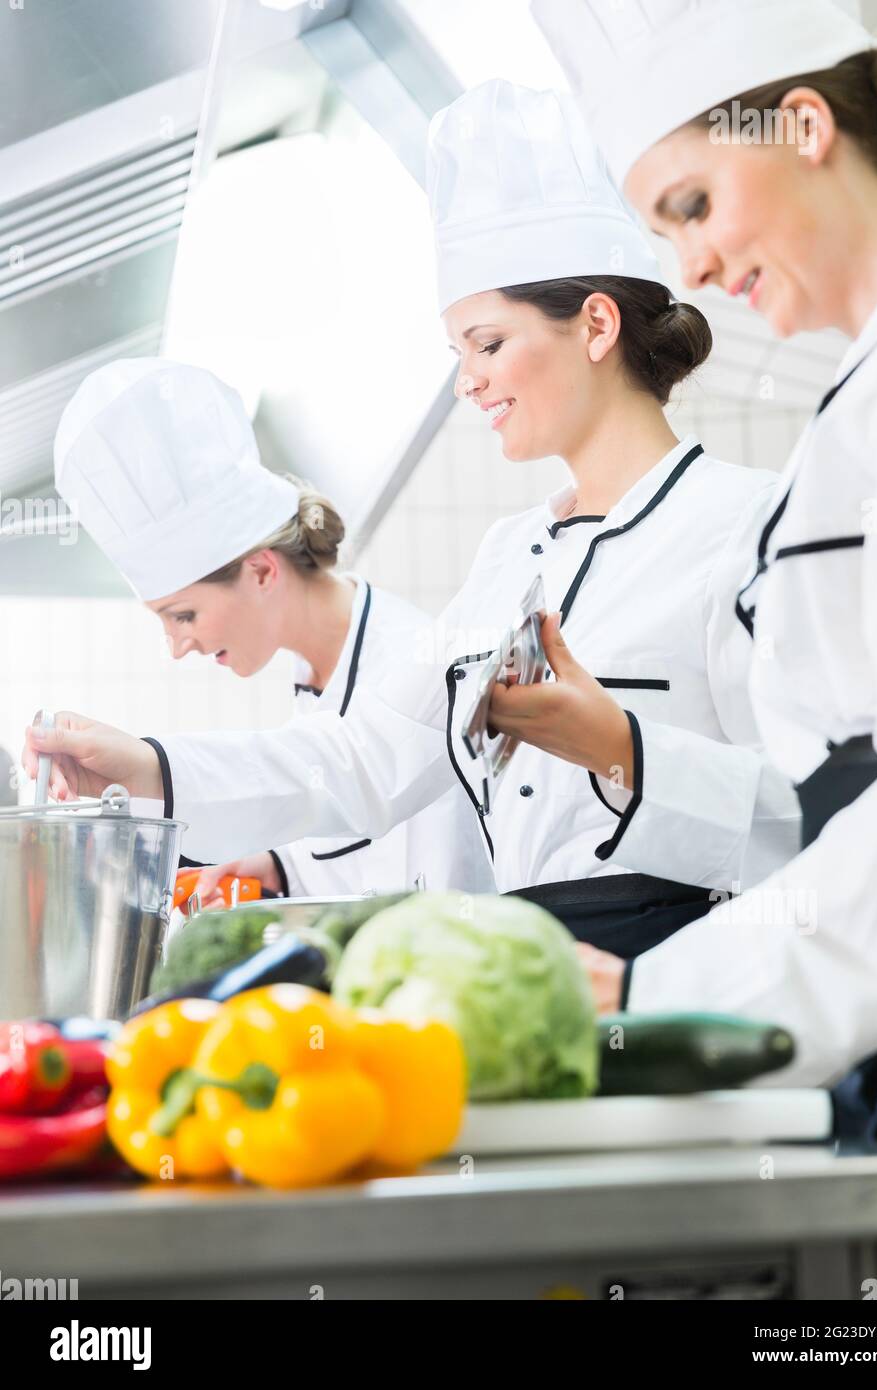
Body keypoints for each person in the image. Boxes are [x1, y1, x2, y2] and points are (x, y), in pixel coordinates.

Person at [23, 82, 799, 975]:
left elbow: (811, 816)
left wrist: (621, 752)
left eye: (488, 343)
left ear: (595, 324)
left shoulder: (746, 523)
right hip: (536, 977)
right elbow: (361, 759)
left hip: (692, 979)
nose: (467, 381)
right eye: (457, 354)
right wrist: (145, 765)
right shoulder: (510, 559)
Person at [521, 0, 877, 1138]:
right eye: (664, 234)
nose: (693, 265)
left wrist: (672, 996)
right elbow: (828, 799)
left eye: (691, 205)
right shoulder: (869, 389)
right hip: (870, 1014)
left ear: (804, 125)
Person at [47, 359, 494, 900]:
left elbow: (437, 885)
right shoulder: (315, 672)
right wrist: (280, 867)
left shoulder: (410, 659)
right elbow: (344, 817)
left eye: (183, 615)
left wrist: (149, 768)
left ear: (261, 571)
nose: (177, 646)